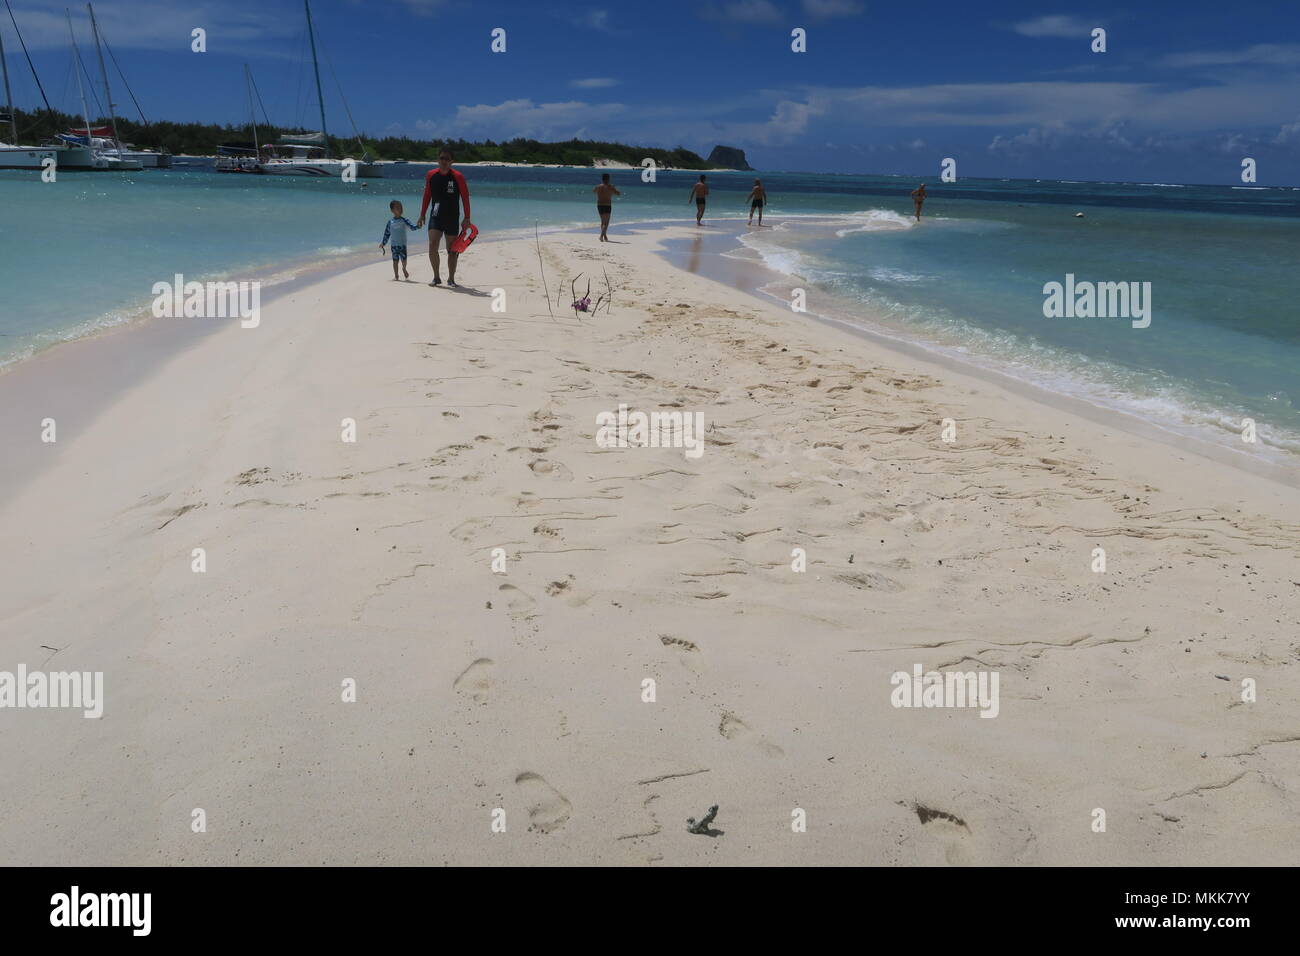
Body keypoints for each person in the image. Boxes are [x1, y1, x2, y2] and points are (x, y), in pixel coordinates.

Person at [415, 148, 472, 287]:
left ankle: (451, 279)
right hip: (435, 215)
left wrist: (467, 217)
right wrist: (422, 214)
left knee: (452, 250)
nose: (444, 161)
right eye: (442, 158)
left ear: (452, 161)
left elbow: (465, 197)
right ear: (437, 159)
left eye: (447, 159)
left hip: (452, 217)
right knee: (432, 245)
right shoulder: (431, 175)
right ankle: (436, 277)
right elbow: (427, 195)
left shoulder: (458, 176)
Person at [379, 200, 418, 281]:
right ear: (392, 210)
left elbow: (412, 227)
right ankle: (396, 276)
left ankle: (404, 268)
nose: (400, 209)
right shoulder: (390, 222)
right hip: (394, 246)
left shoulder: (404, 220)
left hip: (402, 245)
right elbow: (387, 234)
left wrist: (418, 226)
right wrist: (383, 243)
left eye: (401, 207)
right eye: (398, 208)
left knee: (404, 260)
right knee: (395, 261)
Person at [594, 173, 621, 241]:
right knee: (606, 223)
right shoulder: (610, 187)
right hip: (607, 205)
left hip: (599, 205)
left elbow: (594, 191)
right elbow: (618, 193)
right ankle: (601, 236)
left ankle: (604, 235)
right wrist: (614, 189)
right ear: (608, 179)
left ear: (602, 179)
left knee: (603, 222)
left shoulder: (598, 187)